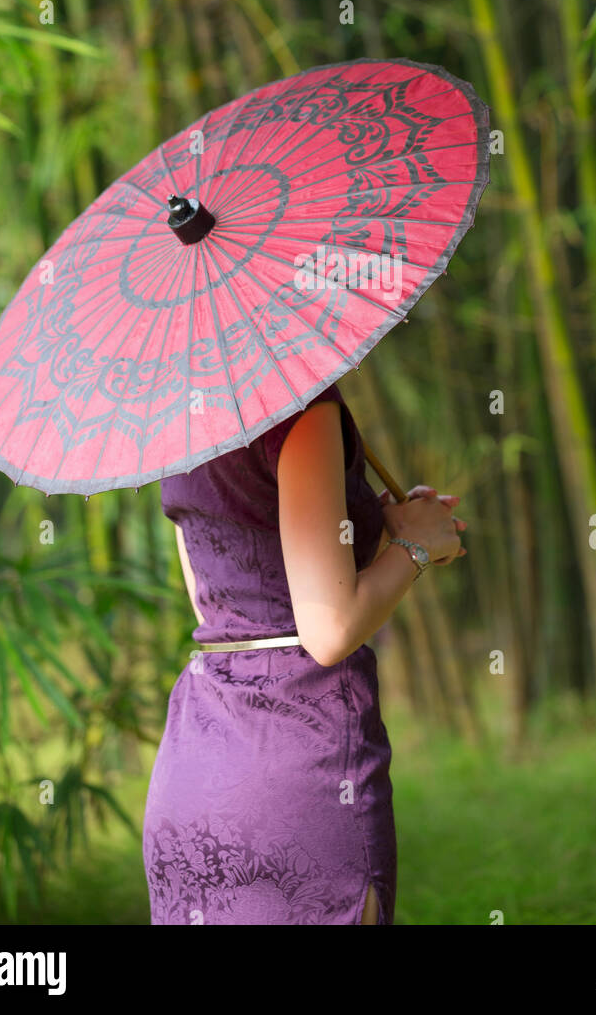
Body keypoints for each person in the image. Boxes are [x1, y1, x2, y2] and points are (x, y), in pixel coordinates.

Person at [142, 382, 466, 925]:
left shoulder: (180, 415)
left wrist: (365, 518)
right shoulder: (299, 404)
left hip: (194, 775)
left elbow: (225, 608)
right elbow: (328, 630)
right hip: (297, 766)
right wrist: (416, 547)